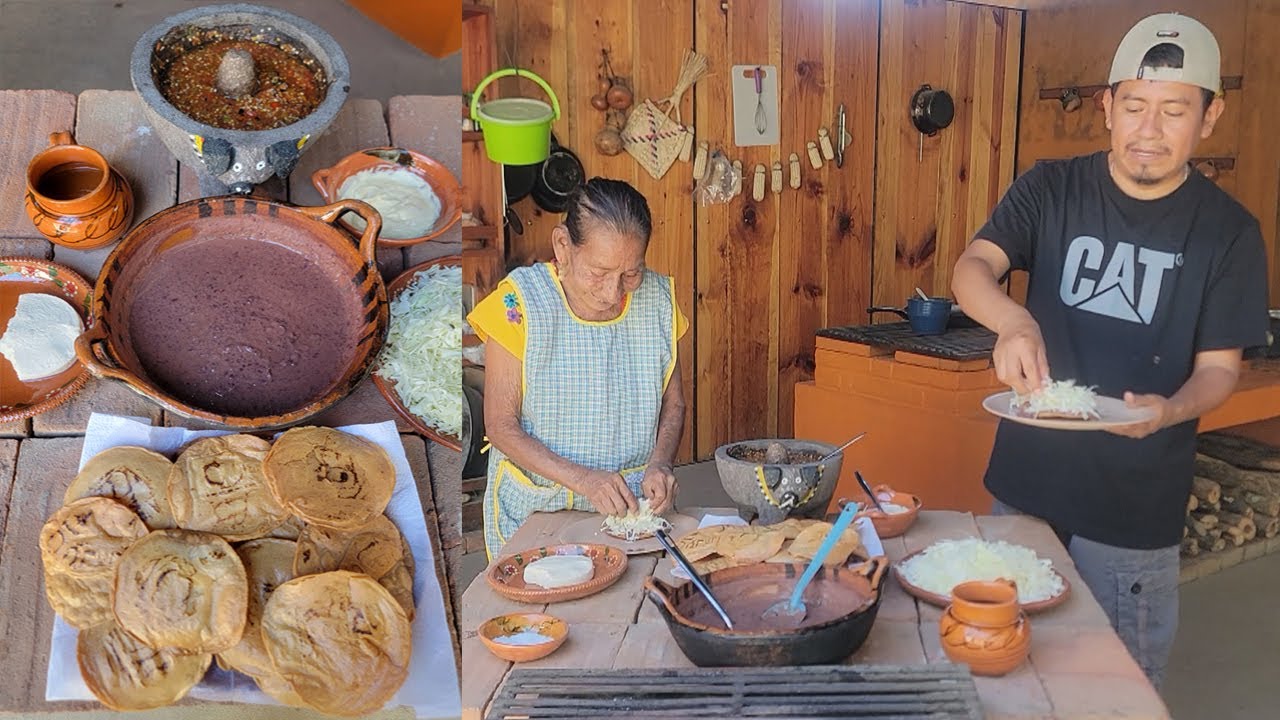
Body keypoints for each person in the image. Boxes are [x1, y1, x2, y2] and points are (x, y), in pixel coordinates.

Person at [951, 12, 1269, 689]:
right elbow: (973, 266)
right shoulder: (1051, 188)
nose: (1149, 130)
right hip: (1025, 486)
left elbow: (1219, 370)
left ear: (1209, 118)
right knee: (996, 668)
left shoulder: (1229, 234)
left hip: (1133, 508)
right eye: (1135, 106)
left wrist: (1172, 408)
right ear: (1107, 107)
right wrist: (1012, 321)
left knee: (1113, 686)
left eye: (1174, 110)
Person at [467, 177, 689, 561]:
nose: (613, 292)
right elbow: (501, 425)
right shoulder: (520, 302)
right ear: (563, 247)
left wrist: (660, 463)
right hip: (539, 509)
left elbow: (675, 403)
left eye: (631, 274)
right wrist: (584, 480)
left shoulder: (658, 300)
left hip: (630, 512)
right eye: (598, 273)